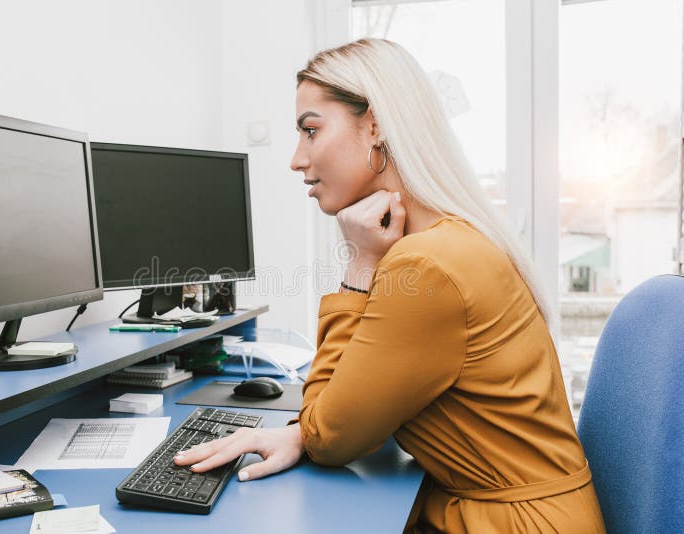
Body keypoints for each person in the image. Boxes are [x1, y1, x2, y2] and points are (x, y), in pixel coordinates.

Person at [174, 38, 605, 533]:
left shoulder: (426, 265)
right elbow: (355, 413)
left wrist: (360, 264)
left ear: (375, 126)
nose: (296, 159)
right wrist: (304, 434)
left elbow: (331, 437)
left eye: (311, 131)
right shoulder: (444, 241)